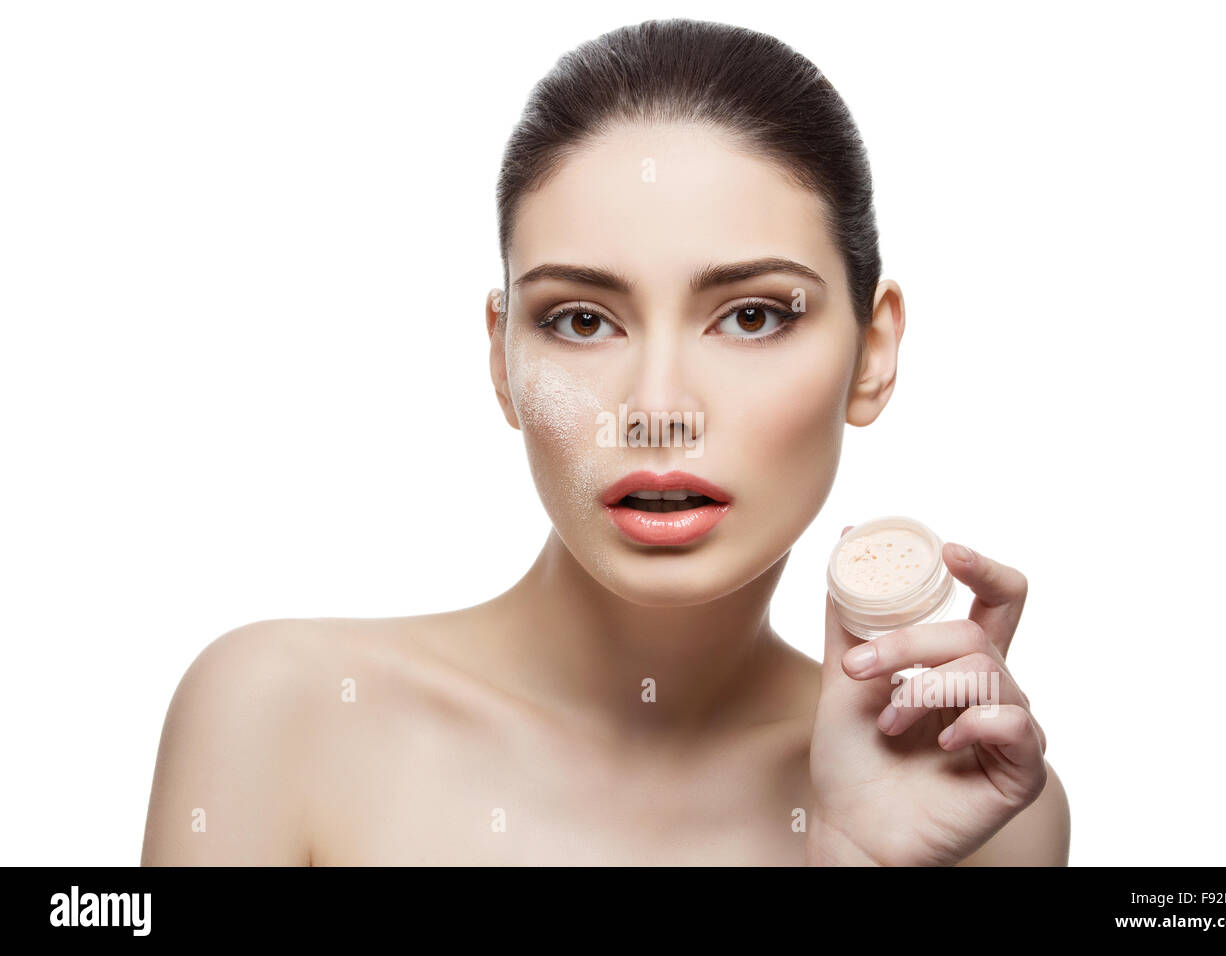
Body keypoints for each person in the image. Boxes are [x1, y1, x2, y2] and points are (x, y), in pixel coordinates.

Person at [142, 18, 1069, 866]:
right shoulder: (281, 718)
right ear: (503, 361)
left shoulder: (977, 801)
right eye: (583, 322)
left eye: (750, 317)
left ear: (873, 354)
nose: (658, 410)